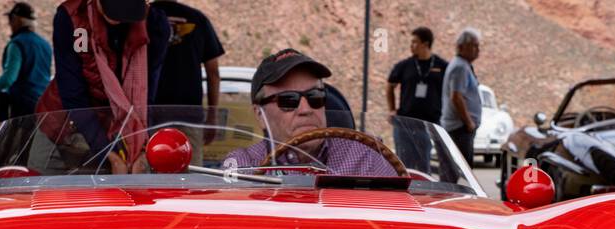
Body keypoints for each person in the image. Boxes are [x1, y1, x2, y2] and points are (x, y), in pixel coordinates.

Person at [36, 0, 172, 173]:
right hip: (62, 122)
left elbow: (148, 95)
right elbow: (72, 92)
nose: (121, 17)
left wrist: (143, 148)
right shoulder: (72, 16)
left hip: (120, 127)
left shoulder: (155, 26)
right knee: (38, 186)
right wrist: (108, 153)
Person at [222, 49, 398, 177]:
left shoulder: (365, 154)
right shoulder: (245, 165)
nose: (306, 109)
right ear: (260, 114)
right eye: (288, 100)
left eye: (315, 97)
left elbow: (395, 218)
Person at [153, 1, 224, 163]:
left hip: (149, 115)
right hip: (189, 115)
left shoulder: (141, 19)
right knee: (191, 179)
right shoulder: (197, 19)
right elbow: (213, 72)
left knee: (149, 178)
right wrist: (212, 117)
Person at [385, 27, 447, 173]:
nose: (411, 46)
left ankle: (424, 194)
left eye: (414, 42)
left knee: (423, 165)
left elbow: (451, 90)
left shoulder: (442, 66)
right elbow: (389, 86)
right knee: (403, 165)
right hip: (404, 123)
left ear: (425, 44)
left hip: (428, 124)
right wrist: (392, 109)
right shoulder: (404, 66)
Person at [0, 3, 53, 121]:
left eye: (11, 19)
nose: (10, 24)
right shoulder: (45, 45)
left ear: (17, 20)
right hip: (44, 103)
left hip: (23, 105)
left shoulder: (17, 44)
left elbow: (9, 77)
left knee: (19, 138)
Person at [440, 28, 482, 170]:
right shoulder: (460, 67)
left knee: (456, 170)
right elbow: (456, 96)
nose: (478, 49)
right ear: (462, 47)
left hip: (460, 128)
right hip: (459, 128)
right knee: (462, 171)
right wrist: (469, 122)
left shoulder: (464, 65)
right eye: (474, 45)